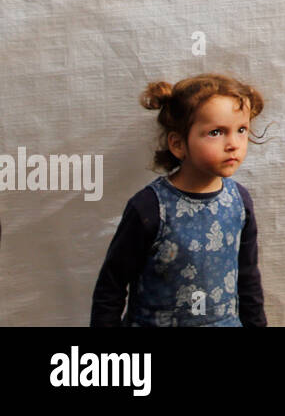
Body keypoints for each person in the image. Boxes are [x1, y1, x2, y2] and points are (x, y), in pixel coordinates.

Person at [90, 73, 269, 327]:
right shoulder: (149, 207)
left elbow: (248, 279)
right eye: (216, 132)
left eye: (241, 130)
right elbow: (112, 285)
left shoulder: (239, 202)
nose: (233, 144)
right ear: (177, 144)